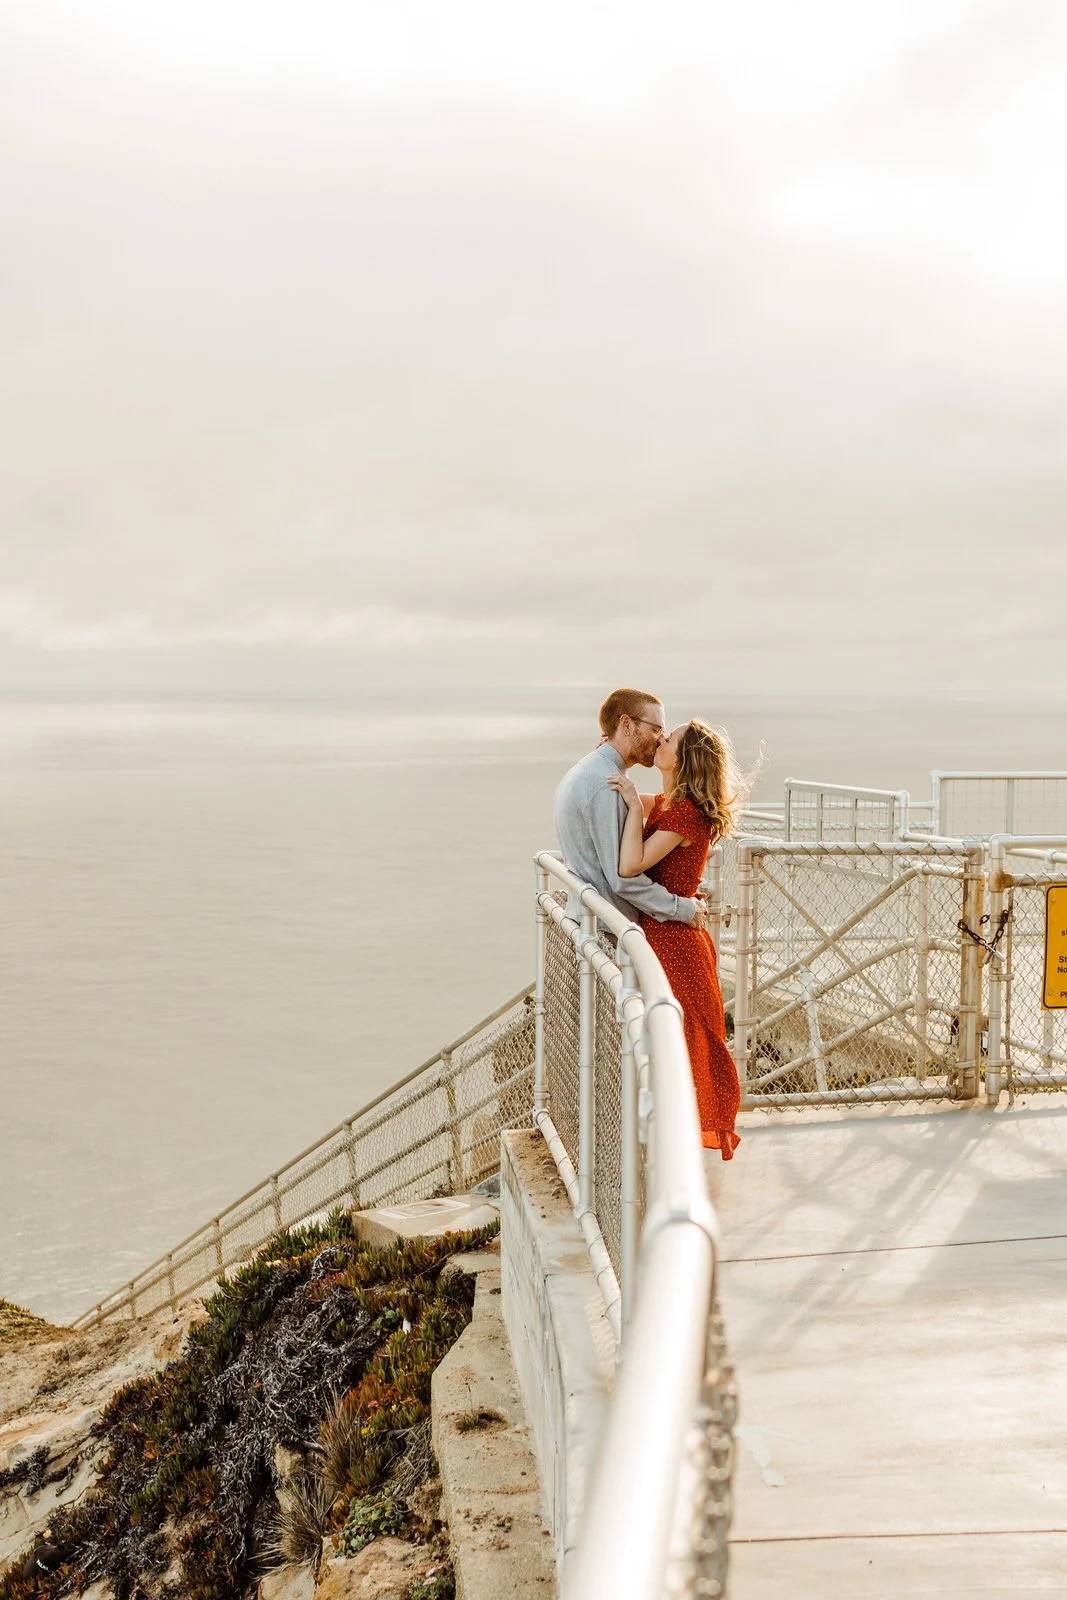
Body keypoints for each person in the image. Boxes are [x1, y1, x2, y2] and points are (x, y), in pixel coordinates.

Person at [609, 718, 742, 1159]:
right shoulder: (672, 802)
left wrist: (631, 806)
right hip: (668, 936)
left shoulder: (684, 813)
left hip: (675, 944)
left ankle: (673, 1145)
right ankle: (666, 1138)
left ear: (684, 759)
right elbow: (611, 801)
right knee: (669, 1038)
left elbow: (631, 865)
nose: (660, 740)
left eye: (670, 738)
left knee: (678, 1040)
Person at [553, 688, 708, 932]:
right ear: (626, 724)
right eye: (656, 729)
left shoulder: (594, 770)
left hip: (599, 924)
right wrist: (683, 908)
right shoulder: (607, 784)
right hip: (608, 930)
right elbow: (622, 879)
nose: (660, 738)